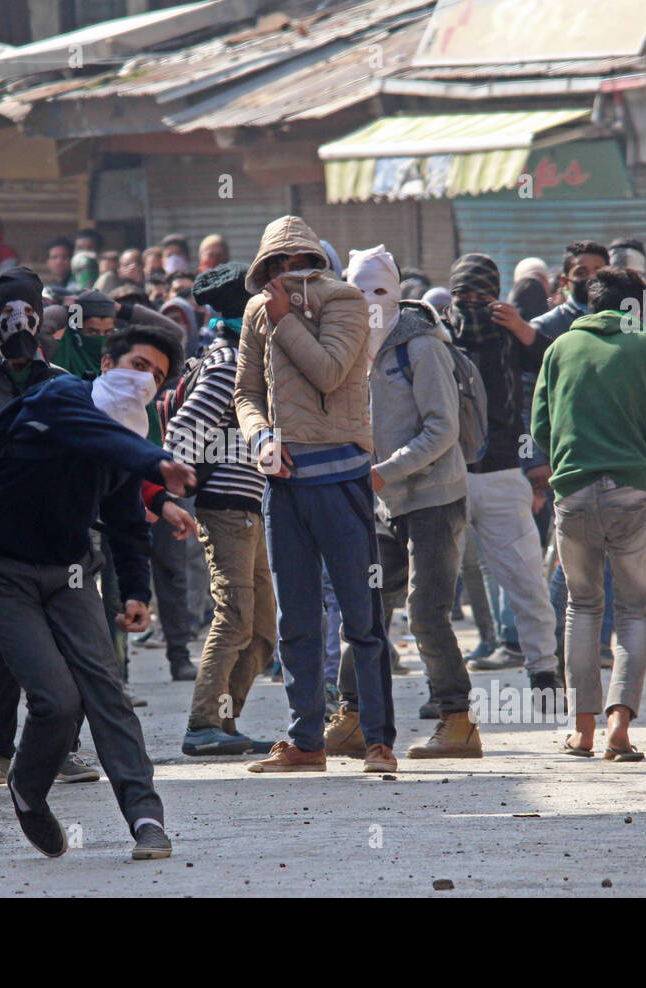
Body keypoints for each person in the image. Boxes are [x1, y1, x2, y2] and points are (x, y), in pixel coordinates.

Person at [0, 304, 194, 859]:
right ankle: (28, 789)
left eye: (157, 376)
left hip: (69, 574)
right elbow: (96, 437)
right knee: (58, 702)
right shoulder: (61, 397)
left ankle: (145, 818)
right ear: (106, 361)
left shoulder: (127, 435)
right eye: (137, 364)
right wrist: (157, 464)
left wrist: (136, 592)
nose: (144, 379)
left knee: (107, 694)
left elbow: (124, 521)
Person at [234, 215, 398, 774]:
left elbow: (329, 373)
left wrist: (283, 320)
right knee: (296, 621)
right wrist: (258, 436)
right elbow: (246, 393)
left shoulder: (347, 301)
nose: (286, 275)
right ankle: (306, 741)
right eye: (277, 268)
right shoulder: (257, 311)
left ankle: (378, 742)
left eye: (290, 264)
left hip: (341, 478)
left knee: (361, 617)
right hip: (283, 484)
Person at [533, 266, 646, 760]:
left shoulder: (558, 349)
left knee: (581, 606)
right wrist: (639, 475)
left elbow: (541, 426)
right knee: (634, 608)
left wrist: (570, 472)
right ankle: (620, 726)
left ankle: (583, 730)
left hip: (572, 492)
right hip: (631, 488)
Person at [348, 245, 478, 759]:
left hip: (432, 497)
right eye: (356, 291)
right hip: (382, 501)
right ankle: (351, 717)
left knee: (426, 611)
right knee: (368, 606)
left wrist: (385, 471)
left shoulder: (421, 347)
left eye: (379, 291)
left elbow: (442, 428)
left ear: (397, 293)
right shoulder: (352, 347)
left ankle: (457, 720)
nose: (368, 303)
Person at [163, 262, 276, 755]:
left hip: (250, 506)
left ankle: (225, 724)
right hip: (227, 507)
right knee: (234, 615)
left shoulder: (245, 356)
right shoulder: (228, 359)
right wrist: (166, 490)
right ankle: (202, 724)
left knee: (262, 626)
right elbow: (185, 426)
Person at [445, 253, 563, 700]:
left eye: (482, 296)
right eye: (463, 295)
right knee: (435, 593)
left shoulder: (510, 335)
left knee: (526, 580)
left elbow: (554, 362)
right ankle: (445, 688)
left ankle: (544, 673)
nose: (471, 304)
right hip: (447, 478)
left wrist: (521, 328)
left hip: (501, 474)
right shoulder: (436, 332)